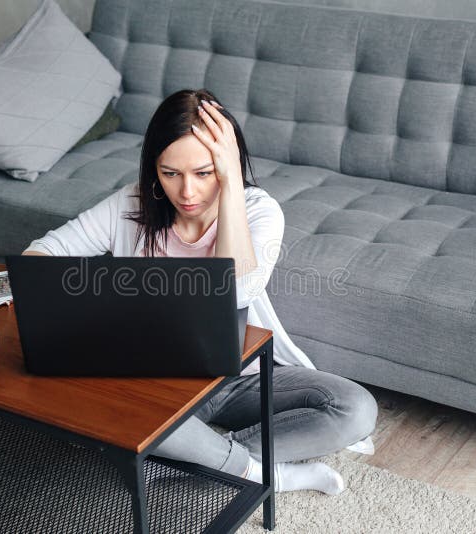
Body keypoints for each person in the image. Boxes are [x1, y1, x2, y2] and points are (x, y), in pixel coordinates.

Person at [23, 89, 378, 495]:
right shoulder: (134, 203)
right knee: (96, 405)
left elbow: (235, 292)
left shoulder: (259, 210)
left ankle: (207, 461)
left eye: (204, 173)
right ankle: (261, 473)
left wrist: (231, 188)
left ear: (228, 166)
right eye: (170, 173)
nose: (187, 192)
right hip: (156, 384)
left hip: (238, 379)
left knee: (354, 409)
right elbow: (43, 253)